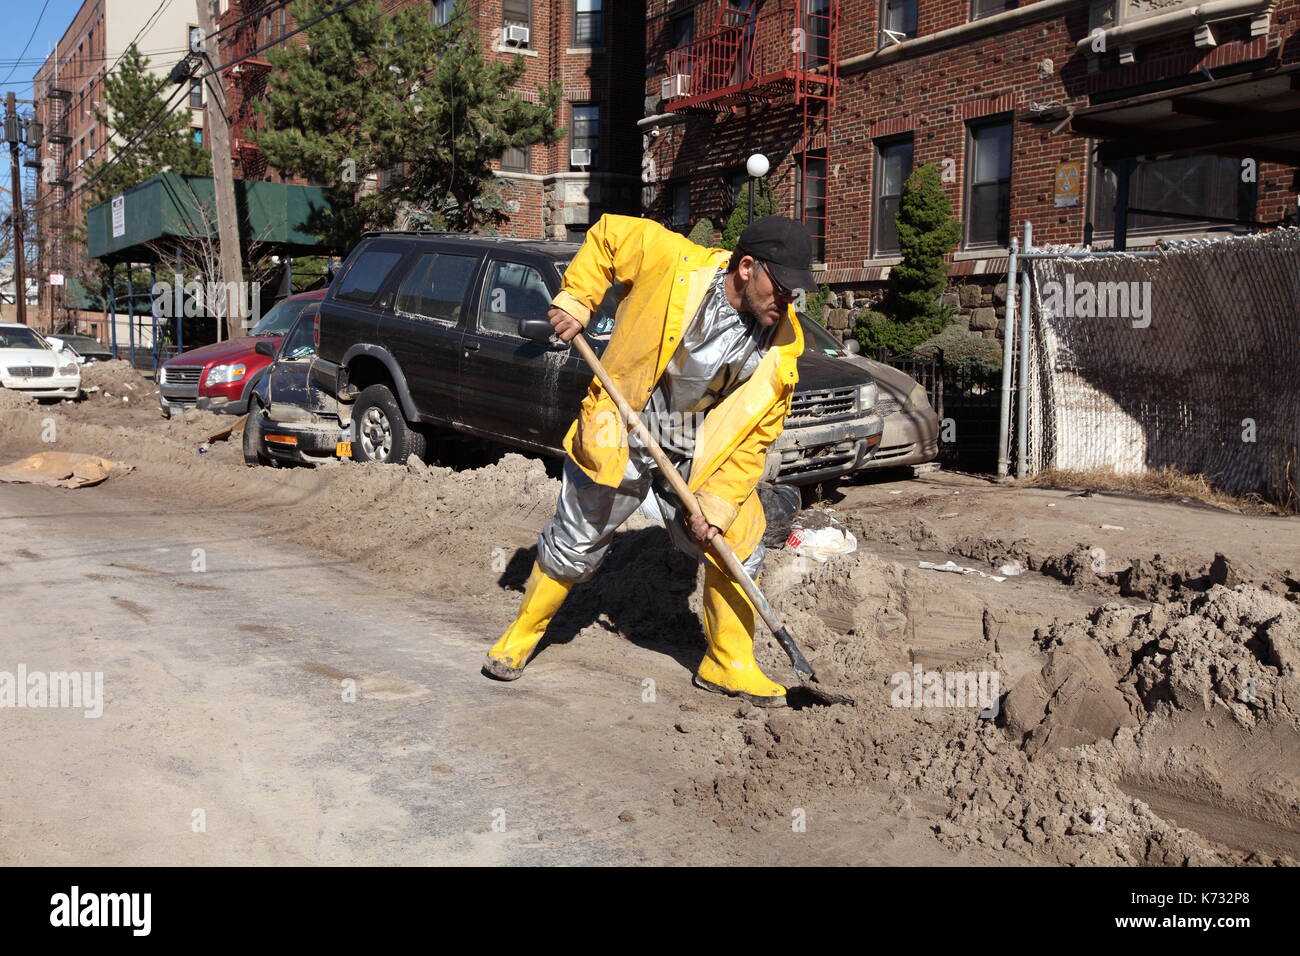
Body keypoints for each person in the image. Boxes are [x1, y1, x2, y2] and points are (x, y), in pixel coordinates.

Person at [482, 214, 813, 707]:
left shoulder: (783, 345)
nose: (789, 300)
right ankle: (522, 635)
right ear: (747, 267)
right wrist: (578, 297)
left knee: (739, 536)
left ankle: (730, 662)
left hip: (695, 448)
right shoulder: (674, 262)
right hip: (623, 422)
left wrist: (717, 507)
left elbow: (754, 439)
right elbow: (609, 235)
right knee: (578, 535)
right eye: (782, 286)